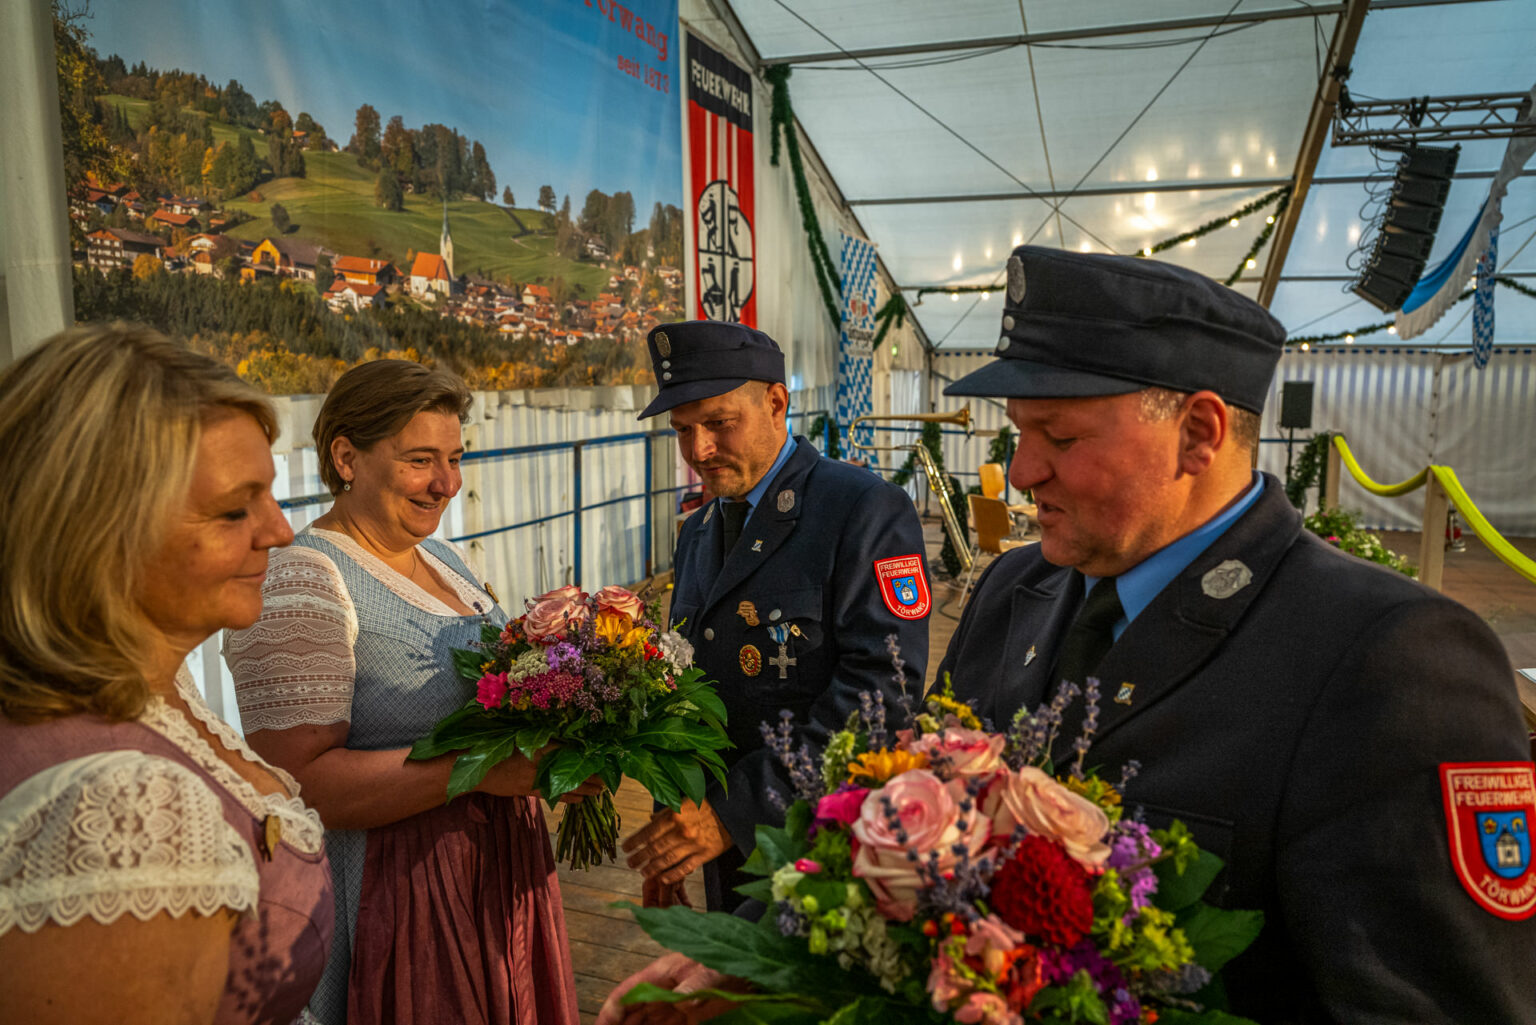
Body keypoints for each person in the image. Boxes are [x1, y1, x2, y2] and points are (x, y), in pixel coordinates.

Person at [934, 246, 1536, 1022]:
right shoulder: (1015, 588)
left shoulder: (1392, 658)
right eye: (1020, 432)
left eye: (1061, 436)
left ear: (1199, 432)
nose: (1021, 472)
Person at [224, 359, 596, 1025]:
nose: (446, 483)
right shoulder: (304, 580)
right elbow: (298, 785)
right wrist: (480, 769)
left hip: (494, 872)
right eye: (420, 460)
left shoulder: (445, 560)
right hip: (400, 895)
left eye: (455, 459)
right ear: (347, 457)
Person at [0, 324, 332, 1025]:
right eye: (235, 508)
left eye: (269, 496)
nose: (279, 531)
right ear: (95, 529)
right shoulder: (127, 809)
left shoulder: (147, 686)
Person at [621, 320, 931, 913]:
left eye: (718, 423)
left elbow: (883, 693)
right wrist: (675, 822)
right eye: (682, 430)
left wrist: (735, 812)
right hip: (719, 845)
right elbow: (688, 688)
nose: (698, 451)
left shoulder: (862, 509)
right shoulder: (699, 532)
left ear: (776, 403)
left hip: (818, 845)